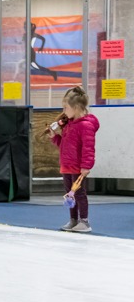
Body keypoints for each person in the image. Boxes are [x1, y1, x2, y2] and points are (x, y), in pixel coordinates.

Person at [49, 86, 99, 233]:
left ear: (76, 107)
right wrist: (55, 138)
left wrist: (86, 166)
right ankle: (73, 220)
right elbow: (65, 146)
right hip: (67, 166)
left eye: (66, 108)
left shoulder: (85, 125)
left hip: (78, 167)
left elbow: (88, 148)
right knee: (69, 195)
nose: (64, 111)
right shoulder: (69, 125)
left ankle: (84, 221)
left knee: (79, 194)